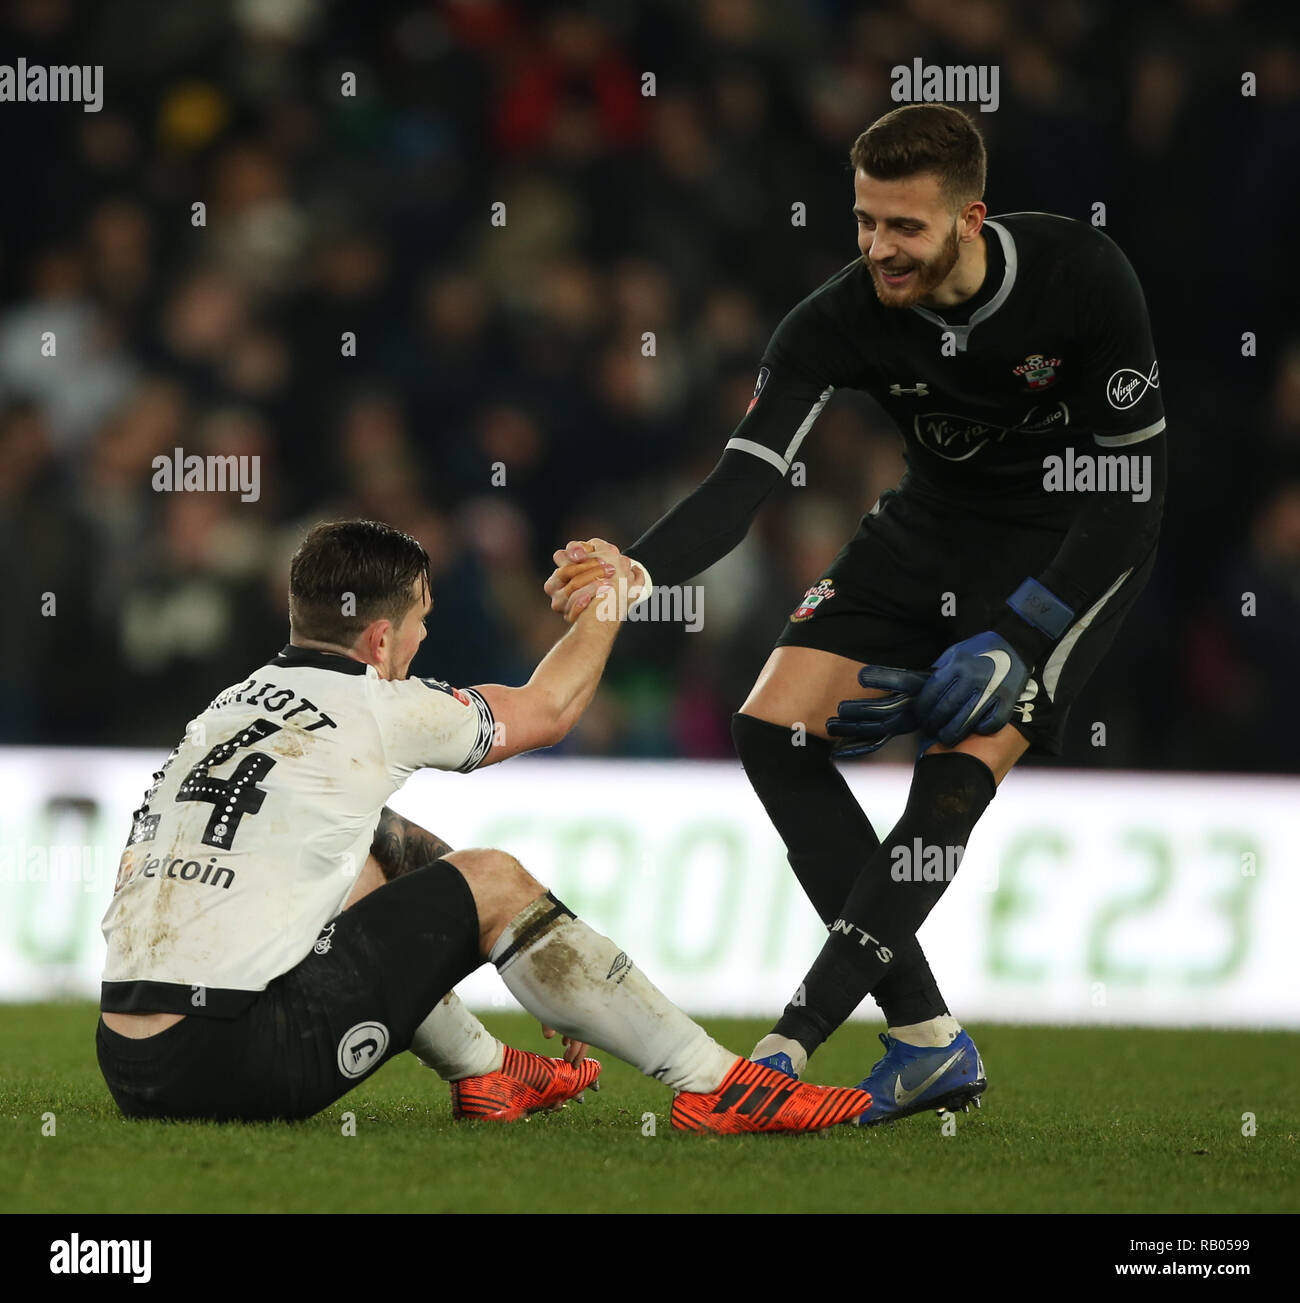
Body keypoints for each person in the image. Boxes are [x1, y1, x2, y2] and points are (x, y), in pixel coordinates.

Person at [545, 103, 1165, 1123]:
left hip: (1072, 544)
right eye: (865, 221)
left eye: (904, 227)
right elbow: (740, 483)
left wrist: (1019, 635)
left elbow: (1132, 493)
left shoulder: (1080, 274)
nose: (879, 247)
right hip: (929, 527)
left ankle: (792, 1041)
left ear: (970, 218)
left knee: (954, 772)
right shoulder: (836, 318)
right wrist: (636, 569)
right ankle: (926, 1038)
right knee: (768, 726)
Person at [96, 518, 870, 1134]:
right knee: (494, 876)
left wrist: (526, 940)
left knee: (366, 865)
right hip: (235, 1060)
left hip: (128, 1060)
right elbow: (552, 708)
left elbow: (382, 849)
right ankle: (714, 1083)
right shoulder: (376, 705)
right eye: (420, 620)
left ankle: (485, 1069)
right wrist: (614, 597)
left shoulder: (228, 707)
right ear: (379, 640)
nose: (424, 637)